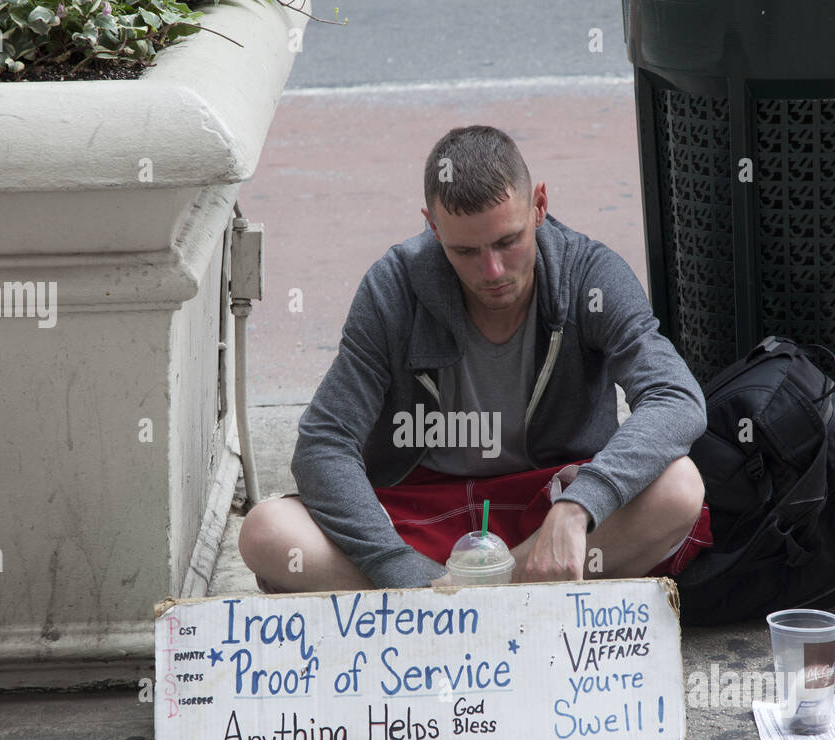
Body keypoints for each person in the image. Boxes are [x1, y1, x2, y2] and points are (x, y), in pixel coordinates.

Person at [239, 125, 710, 592]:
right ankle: (455, 598)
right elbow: (325, 442)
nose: (493, 271)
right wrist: (398, 566)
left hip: (546, 506)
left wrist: (580, 505)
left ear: (540, 205)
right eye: (464, 251)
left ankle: (441, 608)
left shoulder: (589, 274)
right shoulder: (394, 287)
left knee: (680, 487)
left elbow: (675, 397)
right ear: (432, 225)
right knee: (267, 531)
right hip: (420, 512)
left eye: (508, 241)